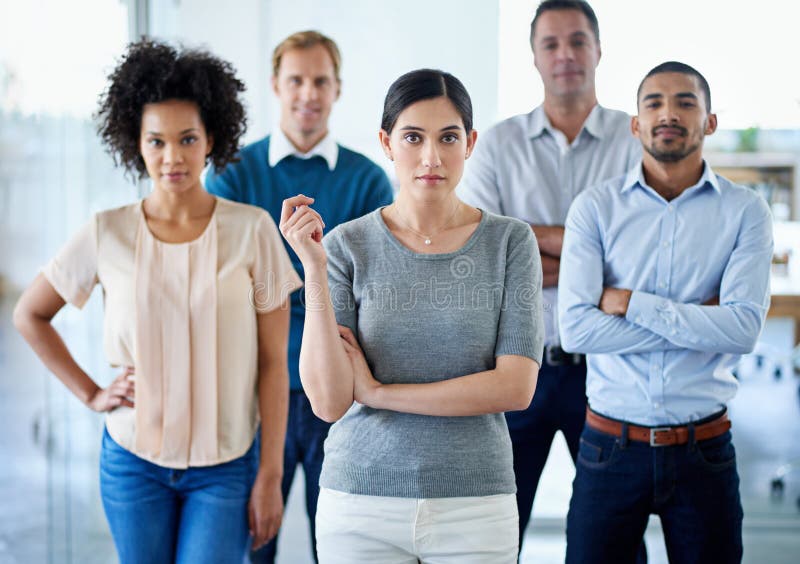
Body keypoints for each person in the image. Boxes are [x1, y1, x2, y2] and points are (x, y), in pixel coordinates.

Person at [13, 39, 302, 563]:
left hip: (228, 466)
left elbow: (272, 365)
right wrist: (91, 393)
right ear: (136, 144)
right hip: (131, 463)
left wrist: (270, 475)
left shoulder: (253, 230)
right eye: (157, 141)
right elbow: (30, 314)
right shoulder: (107, 232)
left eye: (188, 139)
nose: (173, 157)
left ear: (211, 138)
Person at [279, 69, 544, 563]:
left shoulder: (510, 242)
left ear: (470, 143)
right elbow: (330, 402)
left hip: (476, 505)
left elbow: (515, 387)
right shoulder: (344, 246)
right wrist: (313, 270)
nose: (430, 157)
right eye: (412, 137)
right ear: (386, 142)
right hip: (359, 503)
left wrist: (380, 393)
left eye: (448, 137)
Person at [558, 61, 773, 563]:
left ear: (710, 121)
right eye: (653, 102)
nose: (667, 113)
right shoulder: (595, 208)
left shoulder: (745, 211)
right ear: (635, 124)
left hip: (705, 449)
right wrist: (699, 321)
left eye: (685, 102)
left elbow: (742, 330)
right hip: (610, 448)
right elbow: (575, 329)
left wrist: (631, 304)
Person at [456, 0, 640, 548]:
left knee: (613, 540)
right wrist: (594, 257)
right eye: (551, 44)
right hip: (519, 370)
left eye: (578, 41)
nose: (566, 55)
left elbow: (641, 256)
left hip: (610, 374)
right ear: (534, 57)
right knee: (494, 534)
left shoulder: (636, 141)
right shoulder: (496, 145)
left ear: (599, 50)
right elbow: (486, 252)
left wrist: (530, 241)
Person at [204, 30, 393, 563]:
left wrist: (276, 288)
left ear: (337, 89)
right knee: (252, 542)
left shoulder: (369, 181)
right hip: (253, 387)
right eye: (296, 80)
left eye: (320, 81)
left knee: (335, 543)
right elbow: (220, 282)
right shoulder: (234, 173)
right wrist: (312, 287)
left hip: (340, 390)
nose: (308, 93)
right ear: (275, 86)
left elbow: (375, 290)